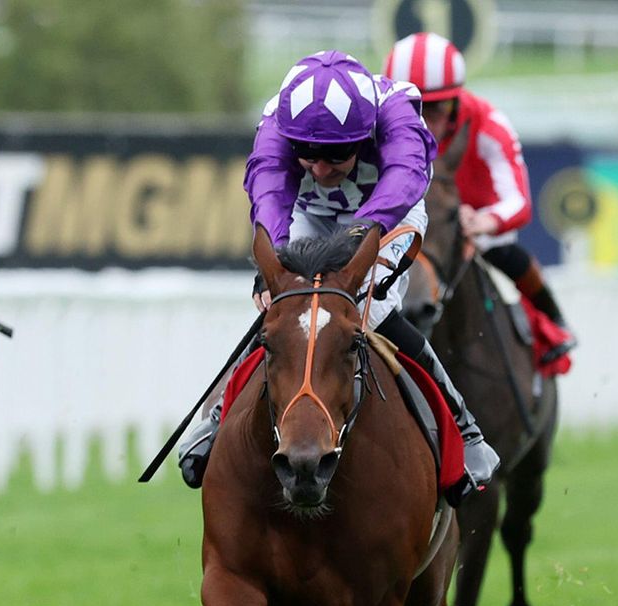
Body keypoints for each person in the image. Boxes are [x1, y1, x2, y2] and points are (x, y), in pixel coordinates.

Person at [178, 50, 499, 497]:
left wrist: (352, 253)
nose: (321, 169)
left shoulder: (398, 113)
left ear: (365, 134)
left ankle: (464, 430)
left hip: (389, 216)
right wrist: (273, 272)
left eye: (334, 158)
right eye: (308, 157)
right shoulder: (277, 120)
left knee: (363, 313)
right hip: (310, 216)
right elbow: (269, 194)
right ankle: (215, 419)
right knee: (285, 313)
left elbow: (403, 182)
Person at [384, 31, 577, 367]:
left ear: (456, 102)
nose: (424, 123)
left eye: (436, 109)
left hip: (472, 222)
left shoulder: (489, 123)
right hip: (407, 223)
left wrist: (484, 221)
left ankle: (555, 322)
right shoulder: (377, 123)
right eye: (413, 107)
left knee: (505, 252)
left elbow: (519, 201)